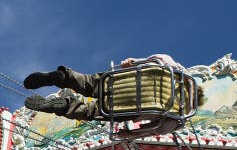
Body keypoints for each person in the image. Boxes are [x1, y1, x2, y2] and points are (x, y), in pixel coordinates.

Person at [23, 54, 202, 138]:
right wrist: (128, 134)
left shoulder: (172, 68)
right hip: (123, 107)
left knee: (88, 82)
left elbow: (149, 60)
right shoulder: (178, 117)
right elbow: (154, 129)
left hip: (118, 81)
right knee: (89, 111)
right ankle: (61, 106)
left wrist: (130, 62)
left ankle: (63, 77)